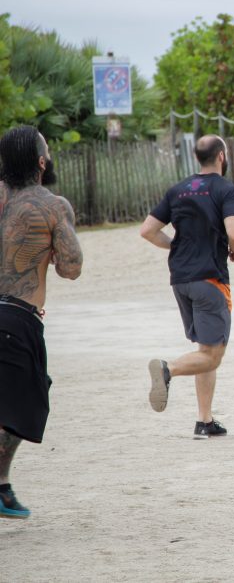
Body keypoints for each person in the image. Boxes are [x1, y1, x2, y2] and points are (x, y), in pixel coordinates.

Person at [0, 126, 83, 519]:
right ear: (40, 162)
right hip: (16, 318)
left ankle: (1, 488)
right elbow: (72, 268)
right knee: (24, 408)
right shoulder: (52, 205)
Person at [141, 135, 234, 439]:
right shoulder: (226, 190)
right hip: (209, 279)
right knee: (214, 355)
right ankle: (167, 369)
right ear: (222, 157)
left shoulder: (178, 190)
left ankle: (204, 420)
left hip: (180, 279)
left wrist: (175, 245)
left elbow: (147, 230)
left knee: (205, 349)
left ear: (196, 157)